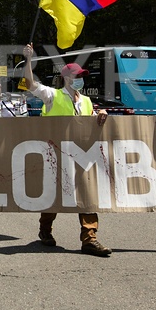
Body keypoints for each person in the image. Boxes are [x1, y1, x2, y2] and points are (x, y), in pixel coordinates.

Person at [23, 43, 112, 257]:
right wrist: (28, 59)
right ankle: (45, 231)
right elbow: (29, 83)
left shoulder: (88, 101)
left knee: (88, 196)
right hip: (56, 156)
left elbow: (91, 126)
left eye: (82, 75)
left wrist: (102, 115)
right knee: (53, 197)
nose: (81, 78)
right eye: (77, 75)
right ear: (67, 78)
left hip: (82, 157)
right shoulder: (52, 96)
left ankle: (90, 239)